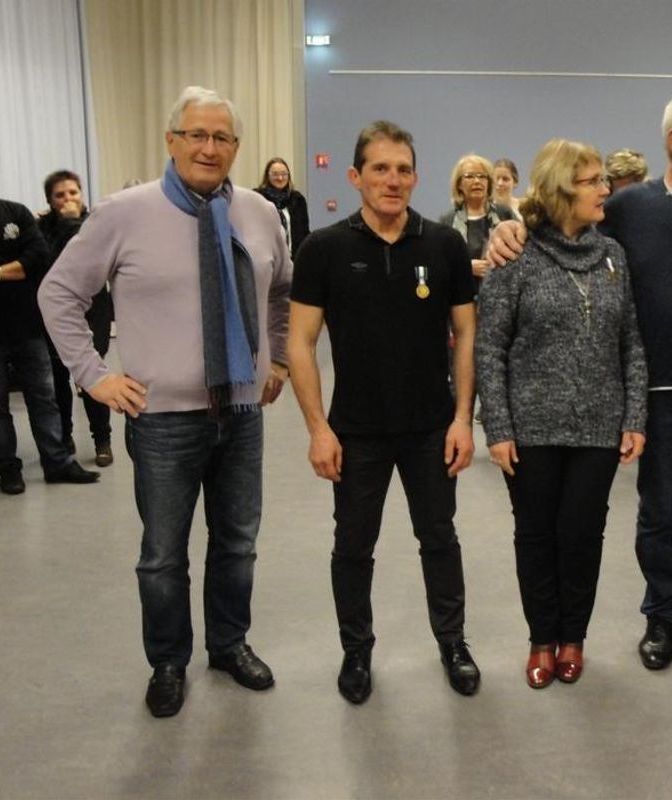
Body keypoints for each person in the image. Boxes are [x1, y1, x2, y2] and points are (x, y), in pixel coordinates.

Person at [491, 92, 672, 676]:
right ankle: (659, 618)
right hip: (655, 399)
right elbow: (558, 224)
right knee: (656, 515)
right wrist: (509, 233)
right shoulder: (627, 211)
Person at [39, 86, 292, 718]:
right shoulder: (123, 213)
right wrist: (93, 375)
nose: (209, 148)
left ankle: (229, 645)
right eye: (196, 135)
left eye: (223, 138)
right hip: (162, 420)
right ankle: (168, 661)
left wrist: (281, 357)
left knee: (238, 542)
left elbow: (284, 291)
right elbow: (59, 293)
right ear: (171, 140)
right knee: (162, 553)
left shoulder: (260, 214)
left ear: (236, 147)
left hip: (241, 413)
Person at [288, 121, 480, 705]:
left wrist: (462, 419)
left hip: (430, 428)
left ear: (416, 177)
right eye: (380, 169)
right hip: (357, 432)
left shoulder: (443, 245)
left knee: (439, 539)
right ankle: (356, 651)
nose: (392, 180)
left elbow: (466, 334)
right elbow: (300, 341)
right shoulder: (323, 248)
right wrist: (318, 429)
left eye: (403, 170)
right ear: (355, 177)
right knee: (353, 547)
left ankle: (453, 643)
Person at [476, 138, 648, 688]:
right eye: (593, 181)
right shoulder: (516, 254)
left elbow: (632, 344)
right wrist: (497, 428)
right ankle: (541, 638)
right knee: (535, 534)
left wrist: (634, 416)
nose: (605, 190)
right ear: (559, 191)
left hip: (598, 425)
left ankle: (574, 636)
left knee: (582, 533)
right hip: (530, 428)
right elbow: (490, 347)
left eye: (603, 179)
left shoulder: (614, 257)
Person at [0, 154, 98, 494]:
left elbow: (37, 260)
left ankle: (57, 462)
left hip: (27, 325)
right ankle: (9, 470)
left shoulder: (16, 213)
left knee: (45, 397)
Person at [38, 169, 115, 467]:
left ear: (82, 194)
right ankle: (65, 436)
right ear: (50, 200)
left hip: (94, 311)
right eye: (60, 195)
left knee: (92, 374)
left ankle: (102, 441)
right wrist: (65, 224)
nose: (68, 199)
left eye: (73, 192)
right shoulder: (42, 227)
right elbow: (51, 261)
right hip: (59, 313)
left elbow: (92, 257)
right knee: (59, 379)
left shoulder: (96, 223)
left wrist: (72, 222)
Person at [439, 154, 516, 292]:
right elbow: (438, 265)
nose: (477, 181)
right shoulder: (447, 220)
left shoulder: (504, 214)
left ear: (489, 183)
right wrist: (465, 268)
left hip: (501, 295)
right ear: (459, 184)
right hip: (462, 298)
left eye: (482, 176)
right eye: (470, 176)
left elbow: (521, 252)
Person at [255, 157, 310, 261]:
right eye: (275, 174)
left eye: (284, 174)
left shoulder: (297, 200)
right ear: (267, 176)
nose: (280, 178)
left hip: (294, 260)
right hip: (266, 259)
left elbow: (304, 233)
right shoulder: (258, 198)